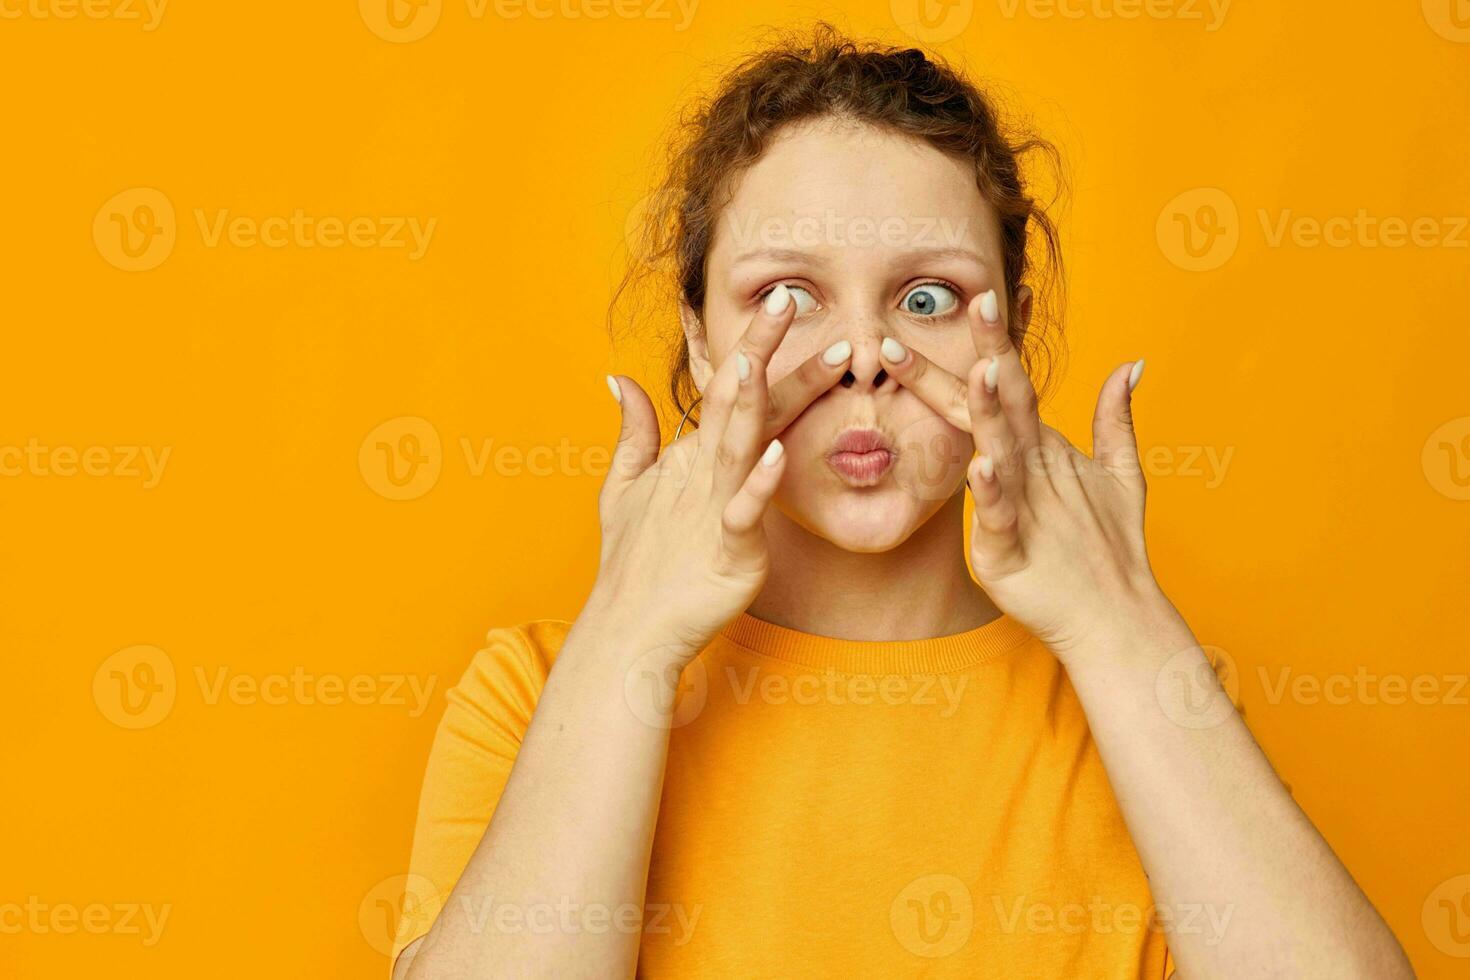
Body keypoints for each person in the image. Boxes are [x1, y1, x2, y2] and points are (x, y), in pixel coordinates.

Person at [392, 27, 1412, 979]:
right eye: (786, 297)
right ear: (699, 339)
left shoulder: (1141, 701)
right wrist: (629, 635)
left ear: (1007, 332)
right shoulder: (532, 694)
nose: (866, 358)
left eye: (926, 299)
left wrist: (1121, 617)